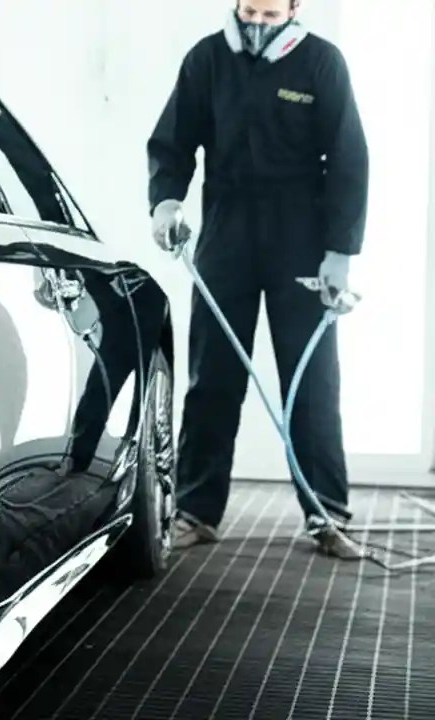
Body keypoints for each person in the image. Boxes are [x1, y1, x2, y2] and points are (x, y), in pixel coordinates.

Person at [146, 0, 369, 558]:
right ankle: (197, 510)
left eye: (271, 15)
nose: (257, 25)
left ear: (294, 11)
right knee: (212, 372)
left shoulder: (321, 63)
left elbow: (348, 158)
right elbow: (173, 141)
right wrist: (166, 203)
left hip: (302, 235)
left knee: (311, 380)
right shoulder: (207, 59)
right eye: (251, 11)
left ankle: (326, 514)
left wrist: (340, 254)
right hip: (227, 230)